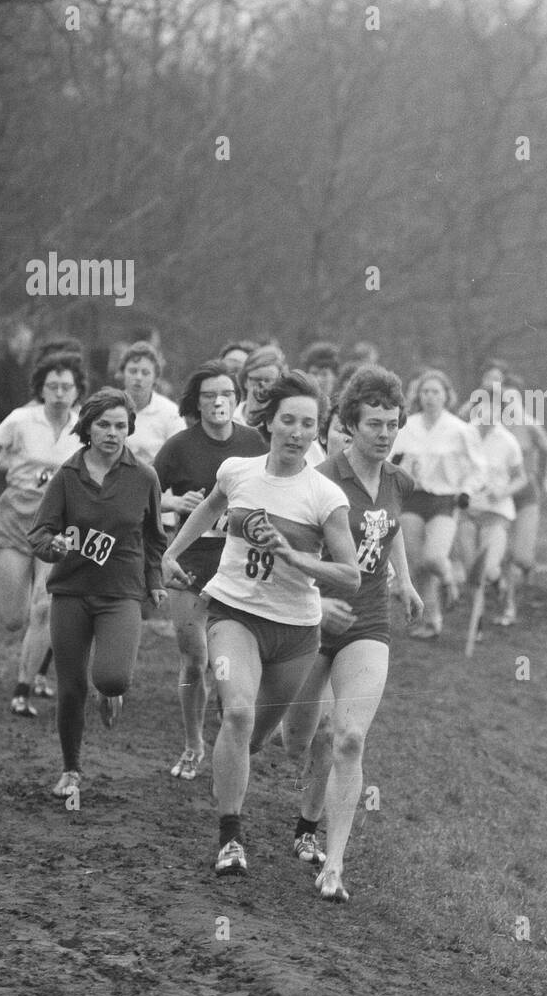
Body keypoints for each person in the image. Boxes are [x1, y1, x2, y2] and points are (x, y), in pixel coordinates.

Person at [161, 371, 360, 877]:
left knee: (256, 737)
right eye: (287, 420)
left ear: (318, 432)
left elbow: (350, 574)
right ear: (268, 422)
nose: (297, 432)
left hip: (294, 632)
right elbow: (209, 509)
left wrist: (294, 556)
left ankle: (231, 756)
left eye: (308, 424)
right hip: (234, 613)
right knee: (239, 715)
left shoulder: (325, 496)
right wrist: (171, 554)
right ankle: (230, 839)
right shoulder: (237, 471)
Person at [281, 366, 422, 901]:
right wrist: (314, 603)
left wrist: (403, 582)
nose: (384, 435)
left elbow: (391, 528)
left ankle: (333, 864)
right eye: (373, 425)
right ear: (349, 425)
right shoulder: (319, 481)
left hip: (367, 622)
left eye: (392, 424)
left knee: (349, 737)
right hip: (311, 619)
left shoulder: (396, 478)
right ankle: (304, 817)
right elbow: (295, 556)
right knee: (301, 739)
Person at [28, 389, 167, 797]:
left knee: (112, 677)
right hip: (71, 590)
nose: (112, 432)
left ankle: (111, 694)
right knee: (71, 687)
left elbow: (155, 537)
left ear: (130, 429)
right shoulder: (68, 476)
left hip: (121, 592)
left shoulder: (144, 477)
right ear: (87, 427)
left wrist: (155, 581)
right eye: (103, 424)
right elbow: (39, 531)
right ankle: (71, 769)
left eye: (120, 425)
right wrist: (51, 547)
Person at [0, 352, 85, 715]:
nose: (59, 393)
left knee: (44, 605)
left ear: (77, 391)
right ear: (41, 389)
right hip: (16, 516)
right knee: (14, 618)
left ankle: (22, 688)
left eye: (66, 387)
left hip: (58, 521)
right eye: (52, 386)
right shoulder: (21, 420)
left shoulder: (86, 425)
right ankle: (31, 649)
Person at [153, 363, 266, 781]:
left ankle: (229, 738)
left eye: (225, 393)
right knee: (194, 657)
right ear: (195, 402)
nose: (218, 402)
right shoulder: (180, 446)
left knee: (230, 661)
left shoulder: (254, 442)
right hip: (189, 562)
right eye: (208, 395)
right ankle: (192, 743)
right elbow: (145, 492)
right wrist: (174, 505)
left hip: (238, 563)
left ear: (237, 399)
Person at [389, 369, 482, 641]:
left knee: (433, 557)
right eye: (425, 392)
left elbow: (479, 467)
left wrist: (467, 490)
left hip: (444, 499)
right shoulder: (407, 426)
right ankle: (432, 620)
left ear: (447, 396)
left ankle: (450, 580)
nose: (430, 397)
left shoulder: (459, 429)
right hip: (412, 498)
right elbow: (391, 459)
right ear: (418, 395)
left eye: (436, 392)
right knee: (417, 565)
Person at [459, 384, 529, 645]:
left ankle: (498, 582)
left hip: (497, 511)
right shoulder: (463, 435)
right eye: (483, 405)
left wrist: (504, 492)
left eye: (494, 407)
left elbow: (522, 477)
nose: (488, 412)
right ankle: (476, 623)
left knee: (487, 569)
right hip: (467, 511)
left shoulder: (507, 441)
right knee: (470, 571)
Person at [495, 374, 547, 625]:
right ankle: (508, 605)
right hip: (500, 496)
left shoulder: (529, 425)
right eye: (504, 400)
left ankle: (527, 565)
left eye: (514, 399)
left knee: (520, 556)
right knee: (503, 554)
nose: (509, 404)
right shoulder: (492, 427)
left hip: (525, 494)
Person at [0, 324, 33, 512]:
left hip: (24, 433)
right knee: (0, 476)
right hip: (2, 429)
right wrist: (12, 418)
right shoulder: (1, 366)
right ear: (11, 342)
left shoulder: (27, 369)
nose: (24, 347)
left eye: (27, 343)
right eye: (20, 342)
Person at [118, 342, 184, 466]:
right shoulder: (107, 407)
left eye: (145, 373)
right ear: (123, 373)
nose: (138, 377)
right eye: (133, 371)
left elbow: (180, 456)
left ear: (156, 378)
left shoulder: (171, 412)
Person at [232, 345, 286, 429]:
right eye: (257, 379)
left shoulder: (283, 422)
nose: (262, 385)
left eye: (269, 380)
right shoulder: (230, 416)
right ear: (245, 381)